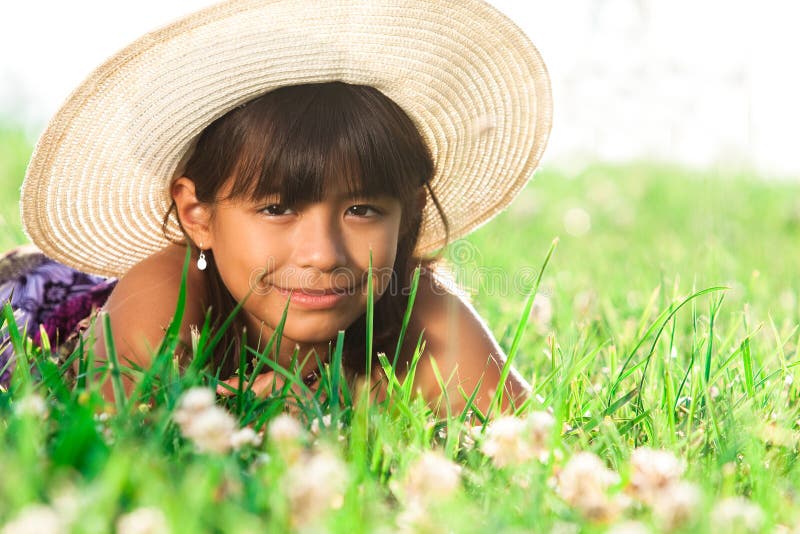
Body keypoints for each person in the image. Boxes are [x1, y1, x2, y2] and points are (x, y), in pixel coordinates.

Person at [2, 0, 552, 415]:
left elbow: (526, 436)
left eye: (362, 210)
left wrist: (348, 408)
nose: (321, 254)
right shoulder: (169, 286)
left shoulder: (421, 312)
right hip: (43, 306)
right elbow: (107, 422)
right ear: (197, 215)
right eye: (276, 209)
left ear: (406, 213)